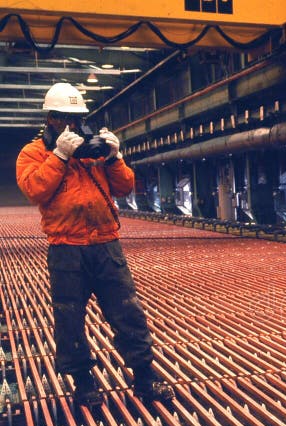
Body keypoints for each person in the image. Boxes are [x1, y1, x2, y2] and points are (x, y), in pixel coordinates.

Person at [16, 82, 174, 408]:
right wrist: (60, 156)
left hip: (106, 245)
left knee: (128, 312)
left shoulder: (95, 151)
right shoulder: (34, 154)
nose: (71, 124)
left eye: (76, 118)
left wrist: (115, 157)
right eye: (64, 117)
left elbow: (124, 187)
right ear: (50, 118)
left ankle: (145, 378)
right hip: (66, 248)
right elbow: (35, 190)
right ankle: (84, 383)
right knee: (69, 318)